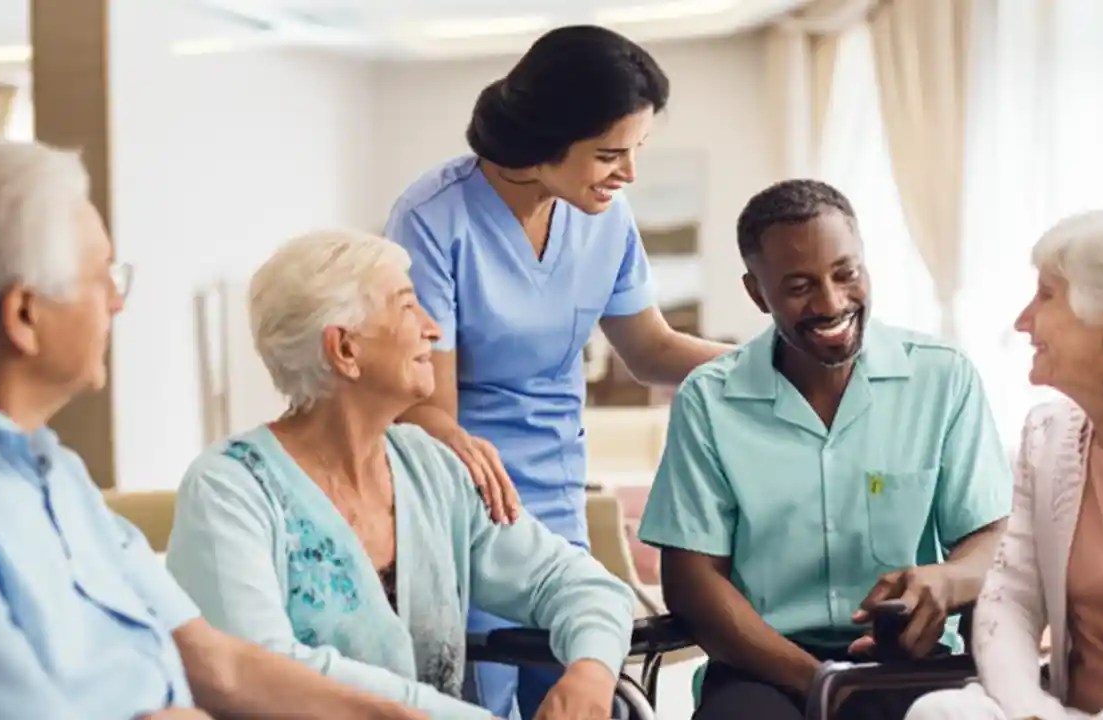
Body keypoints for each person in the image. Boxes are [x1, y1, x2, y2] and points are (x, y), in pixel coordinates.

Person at [0, 139, 423, 720]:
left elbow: (217, 664)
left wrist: (403, 718)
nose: (117, 303)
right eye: (101, 278)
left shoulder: (56, 471)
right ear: (24, 315)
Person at [382, 24, 731, 717]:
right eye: (609, 154)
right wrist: (463, 471)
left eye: (636, 151)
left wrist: (774, 364)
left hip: (558, 498)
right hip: (466, 502)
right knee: (480, 695)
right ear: (544, 141)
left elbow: (650, 349)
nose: (628, 174)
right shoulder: (434, 218)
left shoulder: (605, 218)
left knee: (583, 688)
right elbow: (426, 404)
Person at [165, 229, 636, 720]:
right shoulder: (228, 490)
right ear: (345, 349)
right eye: (409, 307)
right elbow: (261, 672)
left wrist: (591, 672)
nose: (433, 330)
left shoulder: (431, 468)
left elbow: (579, 586)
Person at [637, 179, 1013, 720]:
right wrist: (819, 681)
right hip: (762, 667)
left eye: (846, 274)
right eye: (799, 287)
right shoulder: (709, 400)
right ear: (757, 293)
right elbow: (692, 582)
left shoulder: (943, 377)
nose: (832, 302)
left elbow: (991, 538)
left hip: (909, 664)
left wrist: (947, 580)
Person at [906, 209, 1103, 720]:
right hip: (1063, 715)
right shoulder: (1047, 435)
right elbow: (1009, 601)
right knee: (940, 712)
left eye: (1046, 295)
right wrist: (1031, 711)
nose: (1023, 321)